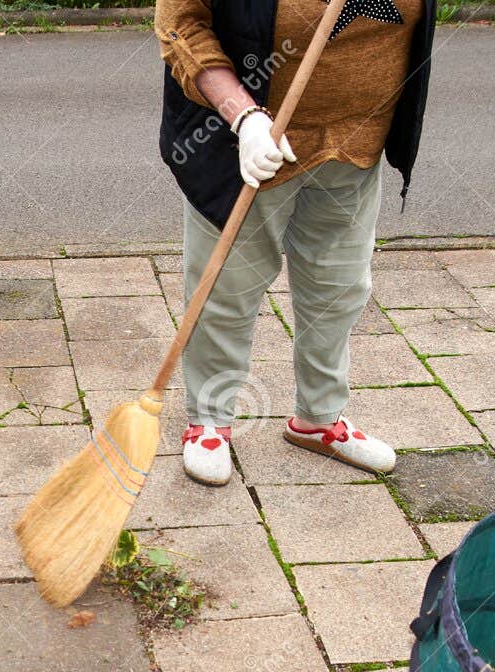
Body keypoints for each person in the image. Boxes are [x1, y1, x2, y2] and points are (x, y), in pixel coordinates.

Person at [155, 0, 436, 485]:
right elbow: (179, 24)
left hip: (357, 142)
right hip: (250, 147)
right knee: (225, 291)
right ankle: (210, 422)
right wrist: (243, 117)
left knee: (339, 287)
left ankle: (319, 419)